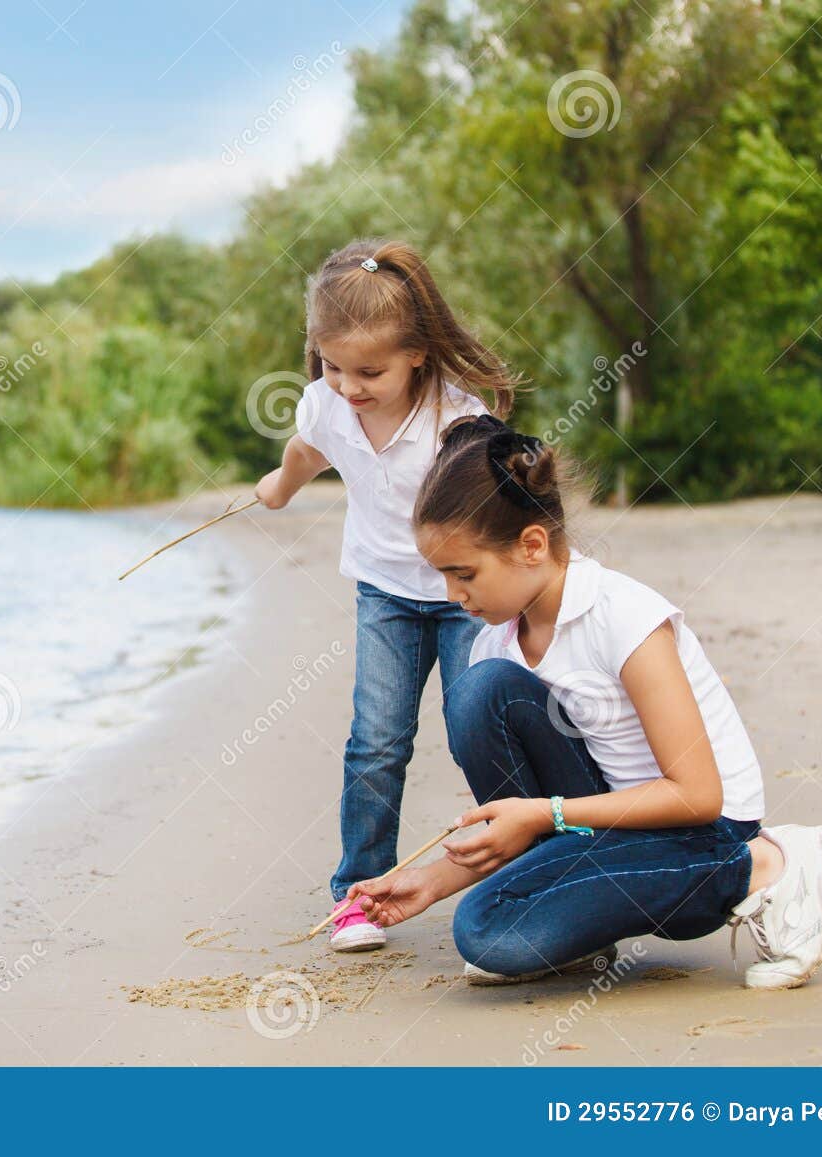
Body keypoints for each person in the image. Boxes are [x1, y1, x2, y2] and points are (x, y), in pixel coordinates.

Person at [347, 414, 822, 988]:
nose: (453, 596)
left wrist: (542, 814)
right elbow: (524, 816)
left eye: (464, 574)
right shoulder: (494, 645)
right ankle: (587, 923)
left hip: (707, 828)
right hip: (612, 822)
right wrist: (429, 882)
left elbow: (698, 796)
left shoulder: (622, 615)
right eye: (442, 577)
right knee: (480, 695)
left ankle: (769, 866)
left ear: (532, 545)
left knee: (484, 930)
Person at [255, 239, 518, 951]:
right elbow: (308, 449)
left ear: (418, 355)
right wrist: (278, 489)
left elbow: (501, 508)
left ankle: (511, 874)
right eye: (334, 366)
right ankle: (359, 893)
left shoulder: (454, 422)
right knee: (375, 741)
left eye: (369, 371)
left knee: (477, 737)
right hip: (385, 596)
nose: (349, 386)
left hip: (466, 600)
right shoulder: (327, 405)